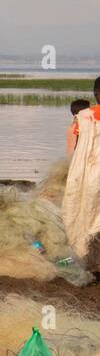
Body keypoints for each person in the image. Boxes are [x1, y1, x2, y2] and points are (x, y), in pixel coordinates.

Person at [62, 75, 100, 268]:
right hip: (93, 172)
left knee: (83, 211)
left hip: (83, 173)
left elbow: (75, 148)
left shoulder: (82, 117)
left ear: (95, 94)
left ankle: (82, 254)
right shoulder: (85, 117)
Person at [67, 93, 98, 157]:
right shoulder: (78, 127)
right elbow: (77, 146)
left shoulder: (74, 126)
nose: (92, 111)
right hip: (78, 156)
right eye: (90, 109)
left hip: (73, 157)